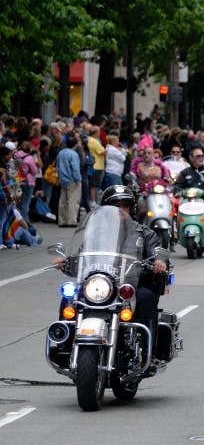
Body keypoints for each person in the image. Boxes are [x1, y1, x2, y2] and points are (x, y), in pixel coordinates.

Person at [53, 186, 168, 369]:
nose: (120, 210)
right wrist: (66, 261)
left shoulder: (144, 232)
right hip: (99, 284)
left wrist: (159, 261)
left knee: (147, 298)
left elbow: (158, 251)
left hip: (129, 286)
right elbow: (81, 256)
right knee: (68, 297)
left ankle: (149, 352)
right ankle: (63, 346)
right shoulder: (94, 233)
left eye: (124, 206)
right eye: (114, 205)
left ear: (132, 209)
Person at [57, 134, 82, 227]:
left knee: (63, 201)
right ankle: (71, 220)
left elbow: (58, 166)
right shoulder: (74, 154)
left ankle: (62, 220)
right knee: (73, 201)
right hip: (72, 180)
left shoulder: (61, 153)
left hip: (63, 179)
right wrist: (78, 179)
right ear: (75, 144)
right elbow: (75, 168)